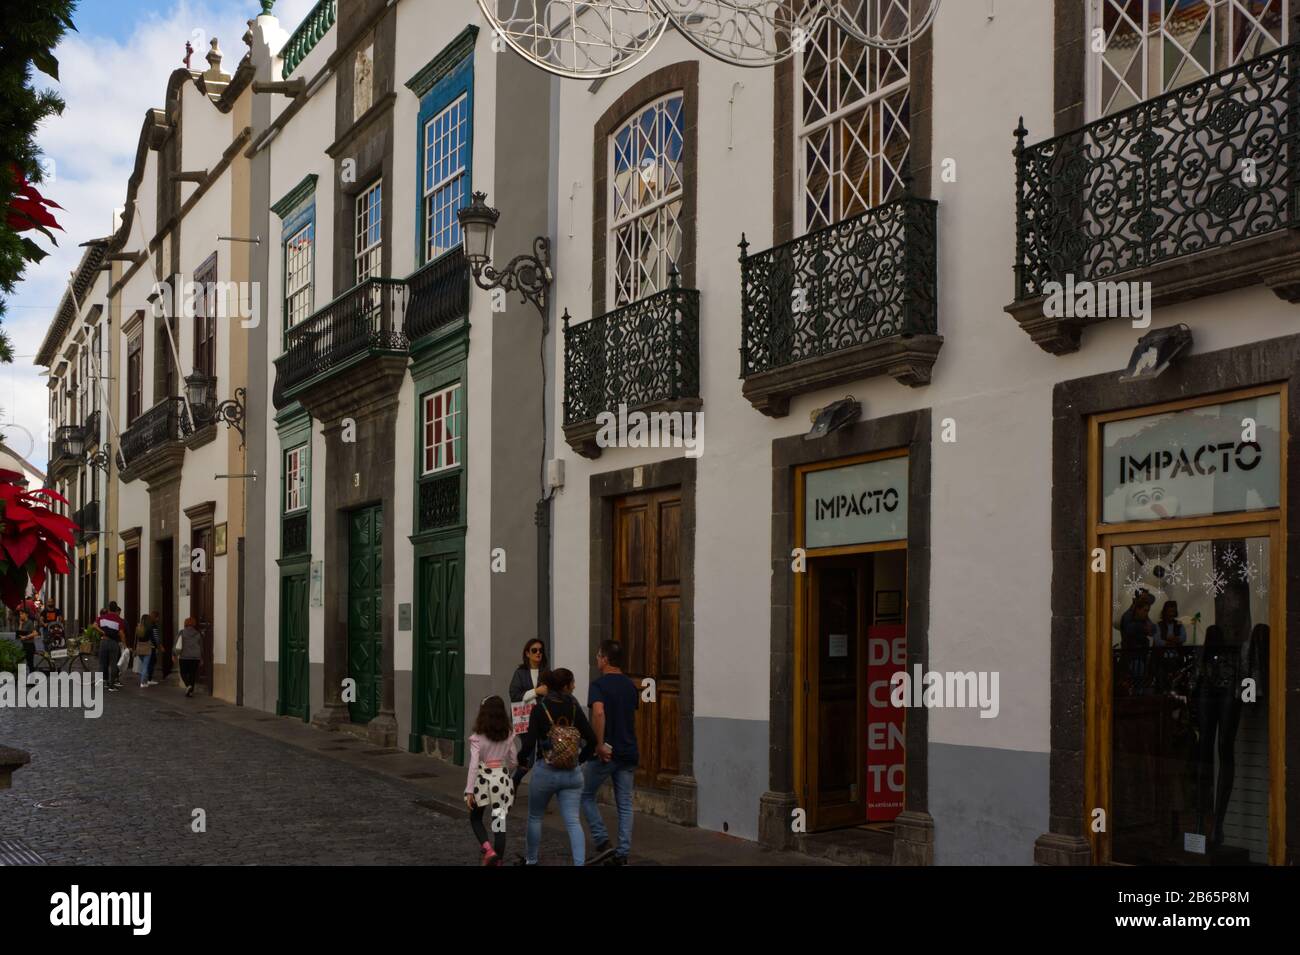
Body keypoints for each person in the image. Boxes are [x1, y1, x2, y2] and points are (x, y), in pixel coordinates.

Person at [517, 667, 597, 866]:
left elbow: (528, 744)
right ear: (565, 686)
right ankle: (579, 863)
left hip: (546, 770)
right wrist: (579, 760)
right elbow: (592, 739)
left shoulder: (540, 708)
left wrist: (521, 759)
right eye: (572, 683)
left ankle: (532, 860)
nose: (575, 686)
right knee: (573, 821)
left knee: (535, 817)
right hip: (572, 773)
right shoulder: (573, 706)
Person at [582, 639, 639, 866]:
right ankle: (622, 853)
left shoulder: (599, 685)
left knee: (585, 795)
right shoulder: (630, 685)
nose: (597, 660)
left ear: (605, 659)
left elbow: (598, 713)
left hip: (607, 753)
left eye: (598, 656)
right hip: (628, 750)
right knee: (624, 803)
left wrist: (599, 744)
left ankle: (603, 842)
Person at [465, 695, 517, 866]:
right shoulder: (509, 734)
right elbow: (513, 761)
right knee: (499, 824)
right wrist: (504, 771)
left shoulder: (477, 737)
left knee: (476, 818)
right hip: (501, 782)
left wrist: (469, 790)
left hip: (483, 781)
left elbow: (473, 765)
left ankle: (488, 850)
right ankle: (499, 862)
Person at [508, 638, 549, 789]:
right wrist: (536, 692)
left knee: (545, 757)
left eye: (540, 650)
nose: (538, 653)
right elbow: (514, 694)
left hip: (543, 721)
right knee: (529, 758)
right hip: (525, 720)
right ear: (527, 653)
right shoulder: (520, 673)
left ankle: (540, 790)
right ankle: (514, 782)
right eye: (534, 650)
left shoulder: (546, 673)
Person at [94, 602, 126, 693]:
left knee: (102, 663)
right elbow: (121, 633)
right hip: (114, 643)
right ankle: (111, 685)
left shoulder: (102, 617)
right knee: (113, 664)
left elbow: (94, 625)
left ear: (108, 608)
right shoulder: (119, 619)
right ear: (116, 609)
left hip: (104, 641)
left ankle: (101, 682)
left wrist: (103, 632)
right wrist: (125, 645)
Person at [175, 618, 203, 697]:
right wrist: (201, 657)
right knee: (192, 674)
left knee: (183, 673)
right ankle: (190, 692)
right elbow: (201, 647)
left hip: (184, 657)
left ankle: (188, 686)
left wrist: (174, 654)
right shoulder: (198, 633)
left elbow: (177, 644)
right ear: (194, 624)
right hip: (195, 657)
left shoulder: (182, 632)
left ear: (185, 623)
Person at [133, 613, 154, 689]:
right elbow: (152, 638)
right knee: (145, 666)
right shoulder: (150, 628)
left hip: (139, 648)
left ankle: (145, 680)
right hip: (147, 648)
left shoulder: (138, 628)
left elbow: (135, 639)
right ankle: (142, 682)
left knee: (143, 665)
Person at [16, 608, 38, 678]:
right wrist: (20, 624)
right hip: (24, 645)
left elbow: (35, 633)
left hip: (29, 646)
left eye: (22, 614)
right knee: (19, 661)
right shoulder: (22, 622)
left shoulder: (30, 622)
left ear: (26, 615)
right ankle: (20, 677)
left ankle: (32, 681)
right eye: (20, 614)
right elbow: (19, 634)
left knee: (30, 664)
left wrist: (25, 637)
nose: (20, 616)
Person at [146, 611, 163, 685]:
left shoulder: (147, 624)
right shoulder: (154, 626)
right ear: (155, 617)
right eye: (157, 617)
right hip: (152, 647)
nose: (158, 619)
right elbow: (156, 637)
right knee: (152, 662)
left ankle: (146, 678)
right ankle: (149, 679)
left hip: (146, 645)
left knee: (148, 662)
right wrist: (159, 646)